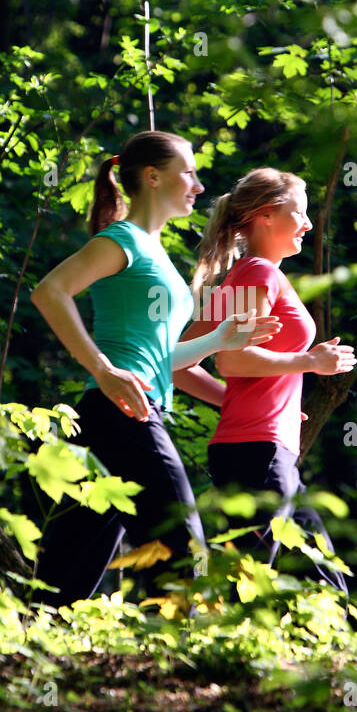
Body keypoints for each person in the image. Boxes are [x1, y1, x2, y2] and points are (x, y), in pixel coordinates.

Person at [28, 131, 281, 607]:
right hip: (120, 410)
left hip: (121, 409)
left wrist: (216, 340)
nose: (199, 186)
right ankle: (195, 665)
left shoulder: (156, 251)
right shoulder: (121, 240)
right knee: (181, 540)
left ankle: (25, 657)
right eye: (189, 172)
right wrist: (103, 370)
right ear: (153, 176)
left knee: (69, 567)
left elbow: (156, 356)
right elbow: (50, 292)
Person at [173, 168, 356, 592]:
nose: (309, 224)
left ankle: (335, 655)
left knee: (325, 577)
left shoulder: (241, 277)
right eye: (300, 213)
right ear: (267, 215)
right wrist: (309, 360)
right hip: (260, 453)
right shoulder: (259, 274)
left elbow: (179, 366)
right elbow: (234, 361)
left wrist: (244, 403)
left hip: (255, 448)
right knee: (251, 577)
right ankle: (206, 650)